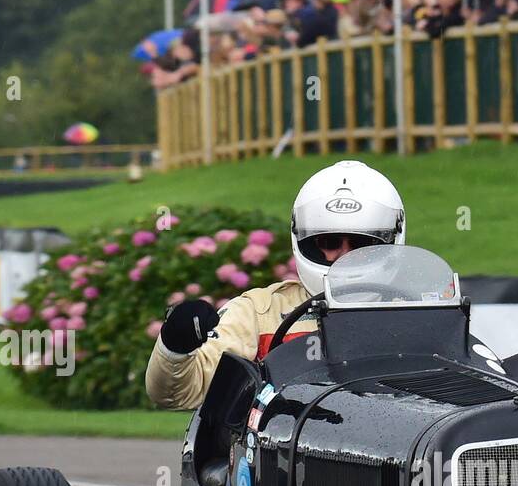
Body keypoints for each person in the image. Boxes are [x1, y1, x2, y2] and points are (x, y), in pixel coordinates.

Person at [145, 161, 407, 410]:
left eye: (361, 244)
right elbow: (178, 394)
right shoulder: (259, 312)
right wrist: (175, 345)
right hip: (281, 450)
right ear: (306, 241)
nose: (343, 254)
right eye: (329, 242)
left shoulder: (417, 309)